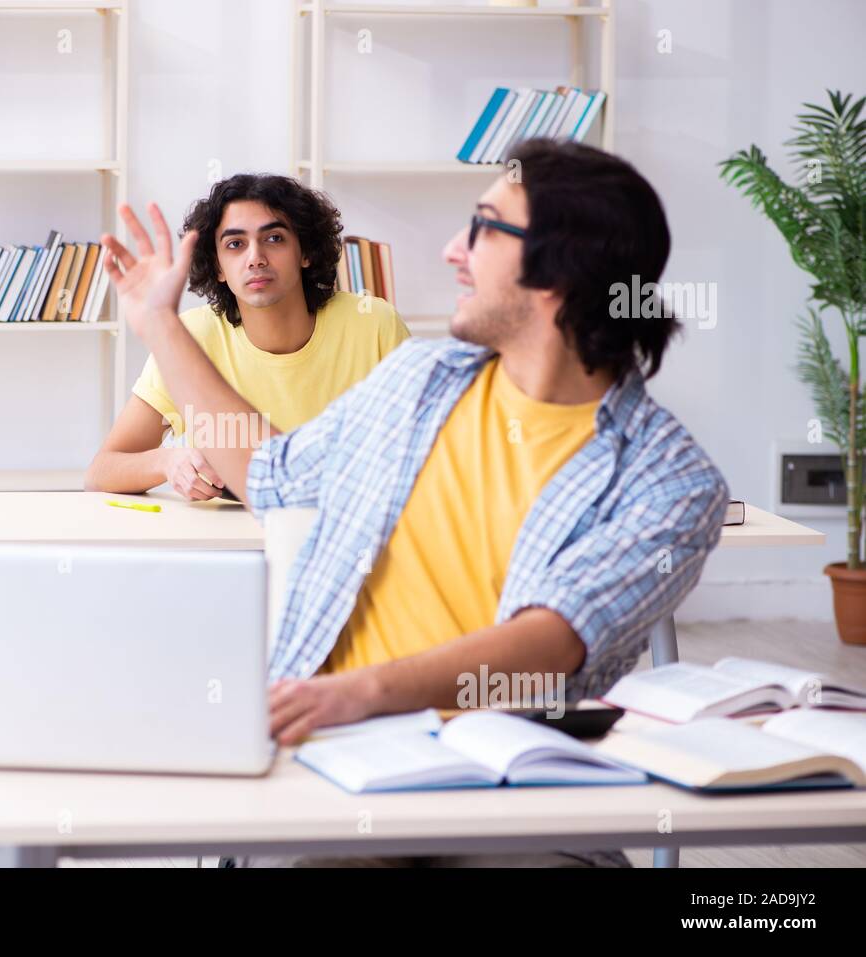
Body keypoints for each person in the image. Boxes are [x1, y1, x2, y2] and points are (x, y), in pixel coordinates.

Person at [99, 139, 729, 868]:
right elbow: (271, 476)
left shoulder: (672, 479)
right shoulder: (419, 378)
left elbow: (552, 641)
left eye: (484, 228)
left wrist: (356, 694)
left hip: (519, 793)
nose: (452, 251)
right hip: (337, 766)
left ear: (560, 269)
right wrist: (161, 325)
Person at [84, 173, 408, 500]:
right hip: (220, 541)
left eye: (274, 238)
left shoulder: (374, 324)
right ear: (218, 267)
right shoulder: (190, 336)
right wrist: (168, 461)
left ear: (305, 252)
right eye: (235, 244)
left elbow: (419, 458)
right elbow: (101, 472)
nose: (255, 258)